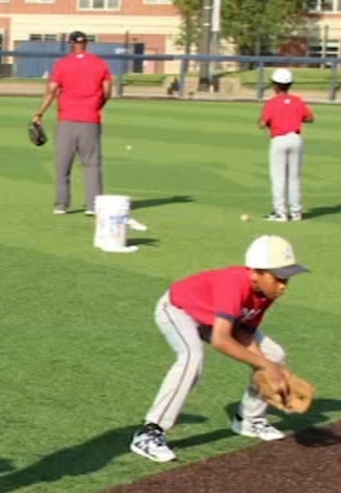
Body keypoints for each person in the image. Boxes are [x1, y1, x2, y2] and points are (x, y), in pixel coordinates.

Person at [130, 235, 310, 464]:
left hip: (213, 320)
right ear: (257, 272)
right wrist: (266, 366)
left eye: (287, 278)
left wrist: (267, 364)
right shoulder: (236, 283)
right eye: (279, 278)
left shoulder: (267, 291)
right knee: (192, 356)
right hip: (178, 310)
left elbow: (244, 332)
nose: (284, 286)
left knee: (274, 354)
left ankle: (249, 420)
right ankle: (149, 432)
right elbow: (221, 339)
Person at [32, 31, 112, 216]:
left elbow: (51, 90)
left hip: (67, 119)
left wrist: (39, 113)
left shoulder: (62, 64)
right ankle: (93, 206)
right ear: (86, 44)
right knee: (91, 165)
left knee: (62, 164)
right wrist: (97, 105)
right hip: (90, 119)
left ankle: (61, 205)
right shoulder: (99, 63)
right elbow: (107, 91)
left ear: (70, 44)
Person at [259, 68, 314, 222]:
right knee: (294, 177)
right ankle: (296, 212)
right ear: (290, 84)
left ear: (274, 85)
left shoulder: (272, 102)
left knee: (278, 177)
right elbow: (310, 118)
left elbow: (262, 124)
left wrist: (271, 121)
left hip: (279, 139)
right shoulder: (297, 100)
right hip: (296, 138)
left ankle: (281, 212)